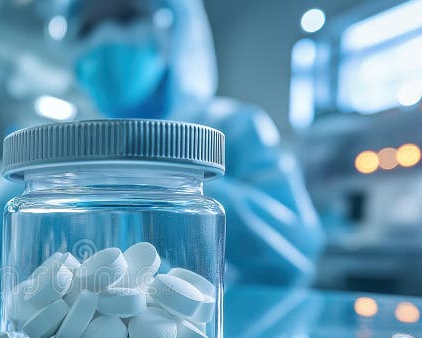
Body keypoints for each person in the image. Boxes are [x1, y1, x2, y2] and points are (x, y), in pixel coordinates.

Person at [64, 0, 325, 286]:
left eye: (127, 17)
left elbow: (298, 254)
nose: (106, 36)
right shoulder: (71, 155)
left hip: (230, 321)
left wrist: (165, 179)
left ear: (172, 29)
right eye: (88, 27)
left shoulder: (234, 126)